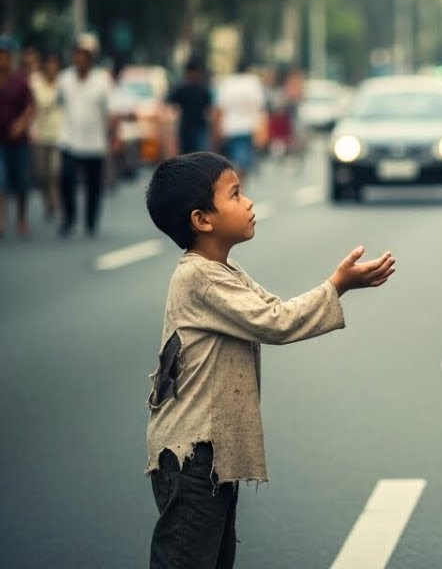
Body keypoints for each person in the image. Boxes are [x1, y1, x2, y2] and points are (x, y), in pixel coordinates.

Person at [143, 151, 395, 568]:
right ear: (201, 220)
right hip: (191, 454)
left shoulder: (224, 269)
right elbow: (276, 322)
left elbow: (274, 309)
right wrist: (338, 285)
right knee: (186, 560)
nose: (249, 203)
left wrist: (338, 288)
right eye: (236, 195)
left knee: (212, 557)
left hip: (211, 452)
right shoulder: (198, 277)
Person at [56, 33, 116, 237]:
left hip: (94, 142)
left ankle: (90, 220)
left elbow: (111, 112)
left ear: (91, 58)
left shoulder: (102, 81)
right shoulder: (64, 79)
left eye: (85, 55)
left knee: (94, 186)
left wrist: (112, 136)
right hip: (69, 139)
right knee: (66, 179)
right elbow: (57, 104)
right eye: (78, 54)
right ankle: (69, 217)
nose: (81, 58)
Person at [0, 37, 35, 238]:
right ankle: (1, 218)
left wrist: (21, 124)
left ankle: (22, 216)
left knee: (21, 182)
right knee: (0, 179)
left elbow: (31, 107)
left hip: (18, 140)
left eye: (5, 55)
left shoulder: (19, 80)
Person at [214, 60, 266, 181]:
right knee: (244, 163)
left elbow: (220, 108)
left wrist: (218, 128)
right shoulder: (253, 82)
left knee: (234, 160)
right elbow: (259, 107)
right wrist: (261, 130)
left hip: (230, 128)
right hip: (248, 127)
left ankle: (236, 188)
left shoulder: (227, 82)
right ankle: (239, 189)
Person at [26, 49, 61, 223]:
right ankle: (47, 199)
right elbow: (30, 107)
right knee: (41, 174)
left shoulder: (63, 83)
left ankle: (54, 200)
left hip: (59, 134)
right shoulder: (35, 83)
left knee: (55, 171)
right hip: (39, 133)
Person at [167, 58, 216, 154]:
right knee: (199, 156)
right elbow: (210, 110)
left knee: (189, 156)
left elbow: (172, 107)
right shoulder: (202, 89)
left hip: (189, 126)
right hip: (195, 126)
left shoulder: (181, 88)